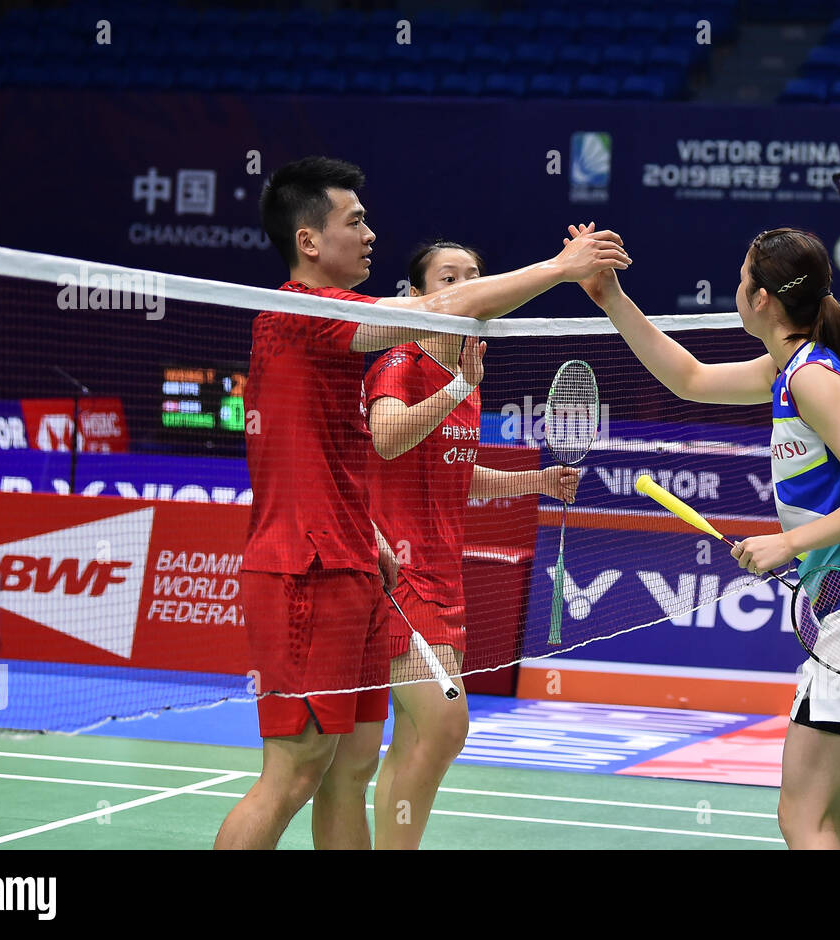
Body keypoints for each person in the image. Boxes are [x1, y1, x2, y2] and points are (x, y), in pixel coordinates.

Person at [214, 157, 629, 851]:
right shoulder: (305, 316)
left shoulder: (338, 338)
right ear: (309, 240)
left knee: (346, 772)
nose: (370, 233)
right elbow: (439, 322)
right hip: (304, 572)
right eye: (355, 222)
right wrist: (561, 267)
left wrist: (363, 532)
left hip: (354, 569)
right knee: (292, 773)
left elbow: (339, 452)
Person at [573, 226, 840, 849]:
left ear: (761, 300)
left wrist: (788, 544)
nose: (735, 288)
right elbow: (691, 380)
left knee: (803, 816)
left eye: (741, 277)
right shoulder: (789, 368)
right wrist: (612, 298)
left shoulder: (813, 379)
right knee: (838, 810)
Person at [365, 241, 580, 849]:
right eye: (448, 277)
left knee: (416, 738)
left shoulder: (464, 375)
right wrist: (458, 387)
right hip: (398, 580)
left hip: (444, 577)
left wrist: (534, 481)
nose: (465, 287)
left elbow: (460, 472)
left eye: (474, 277)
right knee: (445, 723)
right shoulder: (399, 364)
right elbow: (385, 438)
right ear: (415, 296)